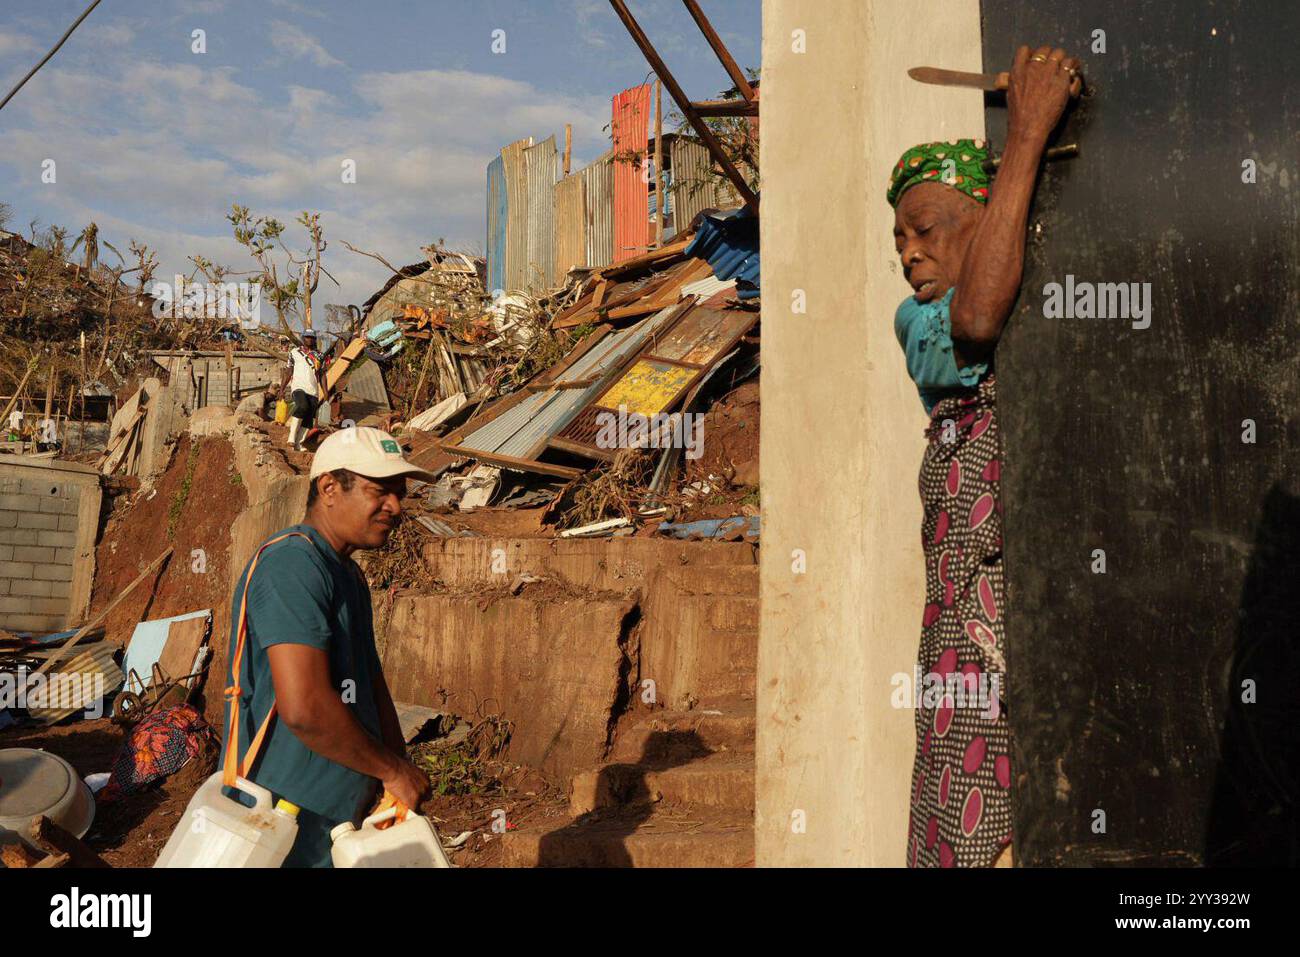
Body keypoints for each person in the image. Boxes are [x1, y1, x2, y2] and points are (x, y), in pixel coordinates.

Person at [888, 45, 1081, 868]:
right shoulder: (920, 324)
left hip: (1037, 596)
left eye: (925, 230)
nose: (907, 253)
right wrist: (1029, 133)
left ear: (983, 218)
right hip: (969, 618)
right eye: (898, 236)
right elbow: (978, 319)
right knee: (970, 797)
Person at [221, 427, 435, 867]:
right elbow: (305, 708)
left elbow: (370, 684)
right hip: (283, 820)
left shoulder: (348, 576)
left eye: (400, 493)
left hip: (335, 816)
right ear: (330, 488)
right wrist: (393, 771)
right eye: (381, 491)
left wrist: (397, 770)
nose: (395, 507)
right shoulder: (292, 566)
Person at [283, 331, 322, 450]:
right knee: (302, 406)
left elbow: (322, 374)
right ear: (302, 338)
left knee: (310, 417)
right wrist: (282, 389)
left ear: (315, 339)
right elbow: (289, 371)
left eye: (312, 337)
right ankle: (291, 437)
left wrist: (325, 391)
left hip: (313, 389)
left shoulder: (319, 355)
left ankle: (299, 443)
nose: (309, 339)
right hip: (298, 387)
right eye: (307, 337)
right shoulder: (294, 352)